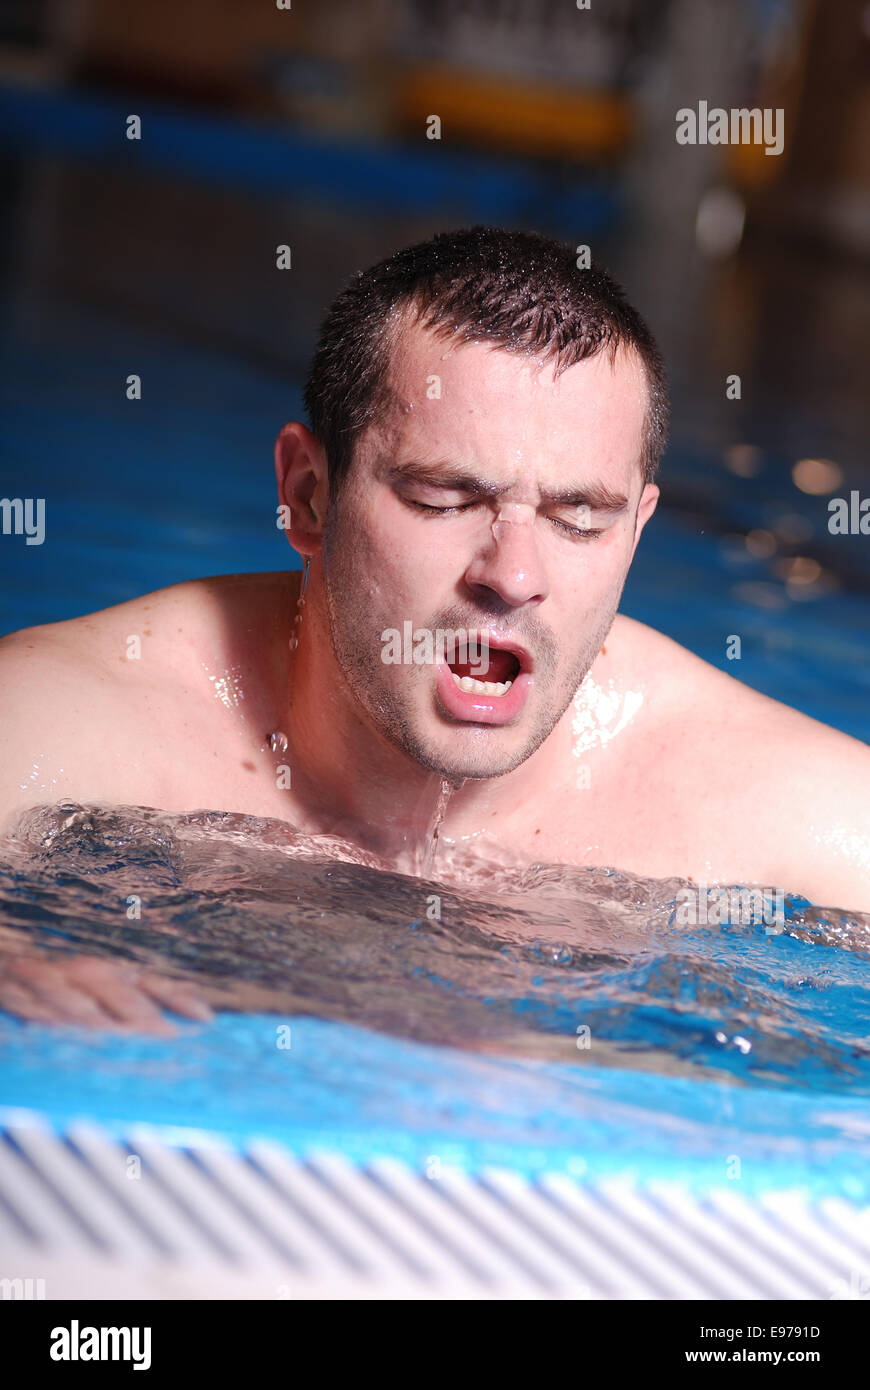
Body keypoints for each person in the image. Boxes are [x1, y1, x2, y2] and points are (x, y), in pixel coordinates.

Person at [1, 227, 867, 1029]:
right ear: (308, 494)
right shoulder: (79, 718)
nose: (513, 576)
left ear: (637, 531)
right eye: (443, 498)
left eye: (579, 517)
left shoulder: (762, 796)